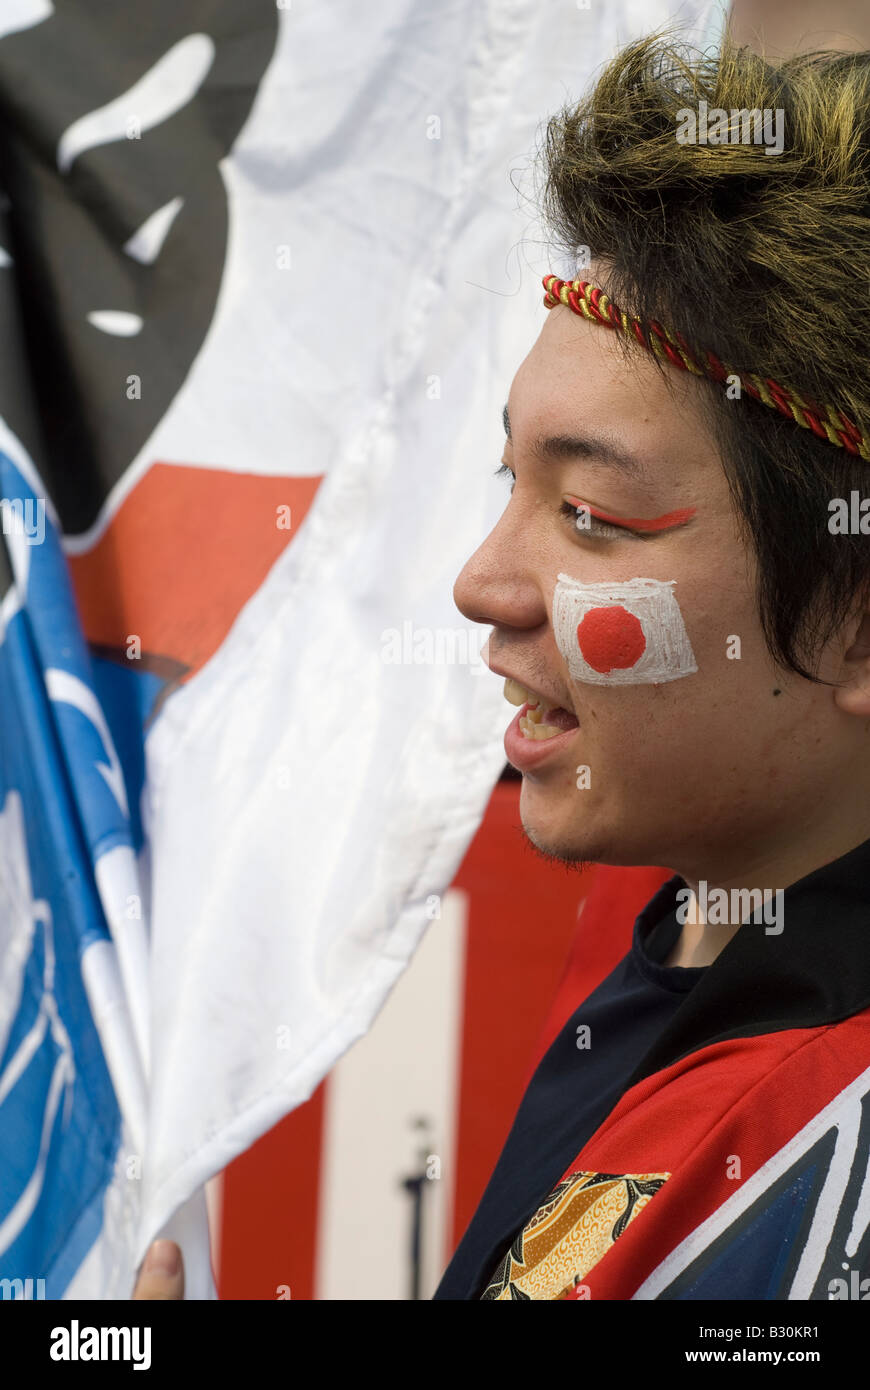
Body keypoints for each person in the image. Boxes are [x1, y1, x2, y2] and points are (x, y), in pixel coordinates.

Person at [134, 27, 870, 1300]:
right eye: (507, 478)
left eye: (592, 515)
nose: (479, 582)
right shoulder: (694, 918)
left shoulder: (813, 1135)